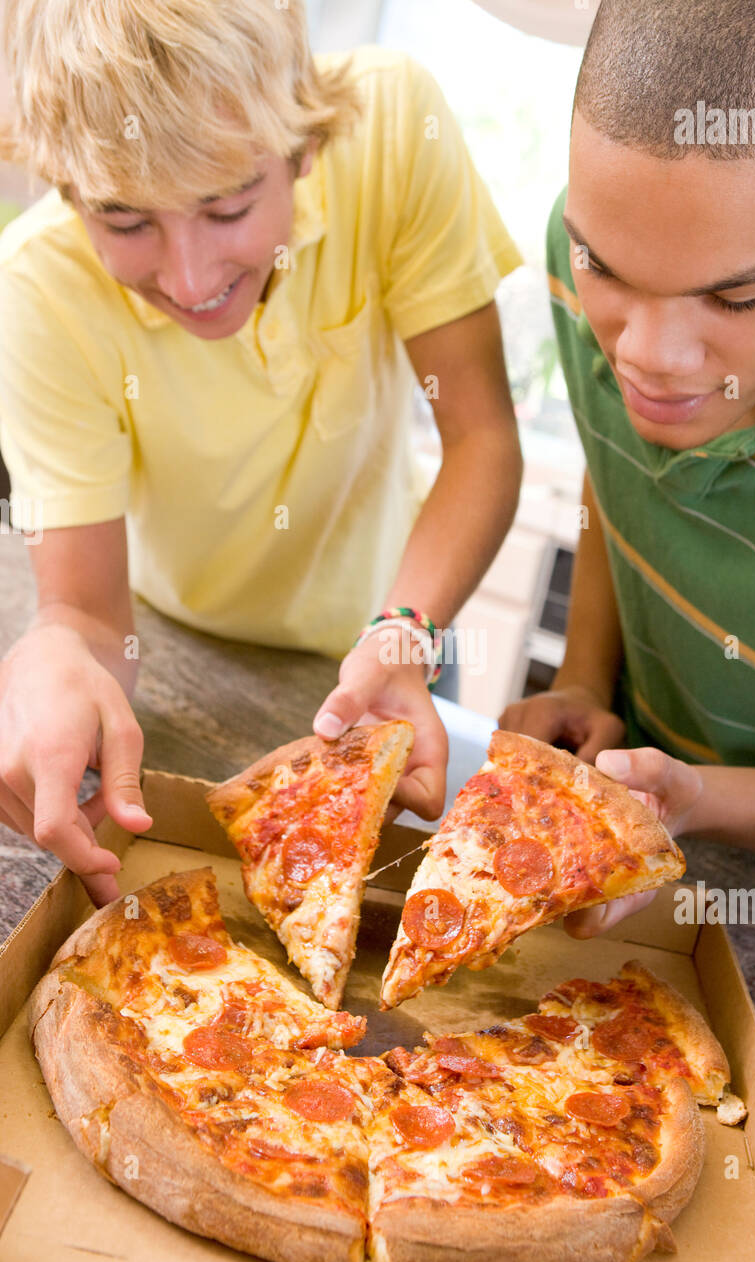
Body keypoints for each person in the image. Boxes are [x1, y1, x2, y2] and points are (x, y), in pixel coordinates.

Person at [0, 0, 523, 905]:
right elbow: (87, 613)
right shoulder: (34, 289)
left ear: (304, 146)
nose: (191, 279)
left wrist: (407, 628)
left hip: (400, 617)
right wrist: (53, 654)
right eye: (125, 224)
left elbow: (480, 439)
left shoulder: (394, 124)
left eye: (230, 207)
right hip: (171, 638)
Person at [502, 0, 755, 934]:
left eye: (736, 297)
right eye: (604, 270)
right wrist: (583, 681)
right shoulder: (571, 246)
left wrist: (700, 801)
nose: (649, 356)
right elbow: (614, 477)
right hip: (637, 805)